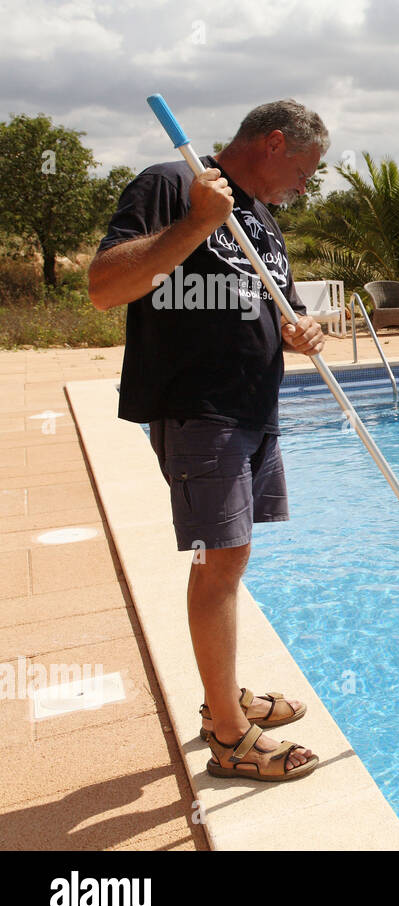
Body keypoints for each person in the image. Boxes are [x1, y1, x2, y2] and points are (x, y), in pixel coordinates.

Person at [89, 100, 329, 782]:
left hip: (254, 408)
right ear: (274, 143)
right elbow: (107, 287)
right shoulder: (172, 185)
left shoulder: (264, 221)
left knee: (231, 560)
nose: (305, 186)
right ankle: (229, 735)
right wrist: (197, 221)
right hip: (200, 408)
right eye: (305, 170)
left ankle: (224, 698)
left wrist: (301, 331)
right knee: (218, 563)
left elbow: (282, 309)